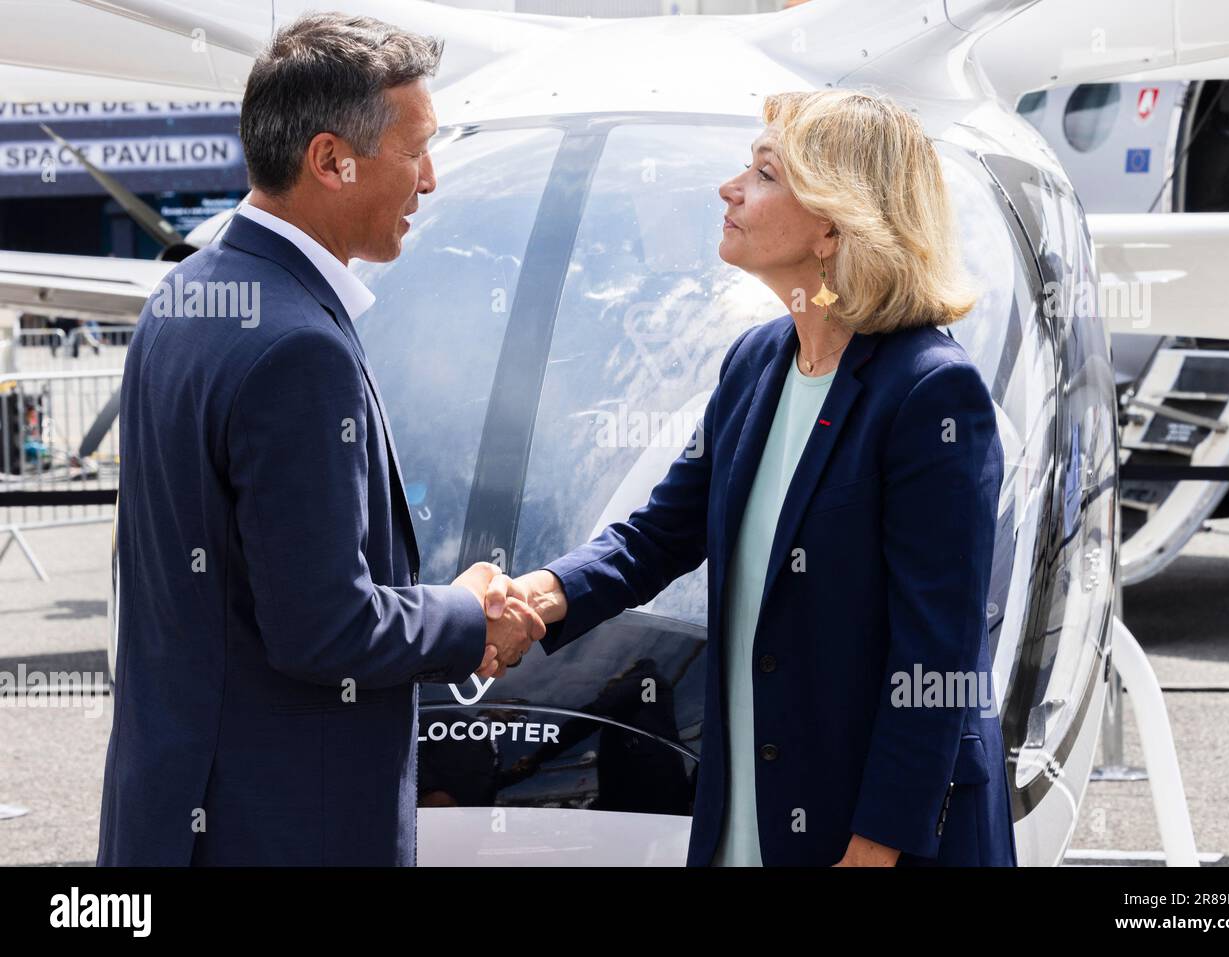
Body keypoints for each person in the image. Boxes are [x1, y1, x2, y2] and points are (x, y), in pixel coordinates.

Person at [508, 90, 1017, 867]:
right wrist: (534, 598)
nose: (730, 188)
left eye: (764, 173)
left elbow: (936, 658)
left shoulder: (929, 391)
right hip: (748, 819)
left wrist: (875, 847)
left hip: (873, 835)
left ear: (833, 222)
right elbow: (656, 536)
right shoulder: (756, 362)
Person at [98, 12, 545, 867]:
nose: (431, 181)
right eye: (416, 152)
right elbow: (323, 626)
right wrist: (467, 612)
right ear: (331, 160)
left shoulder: (184, 295)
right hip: (279, 827)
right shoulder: (299, 345)